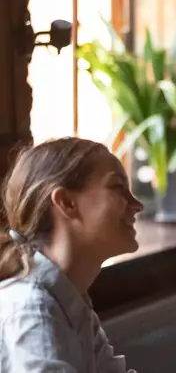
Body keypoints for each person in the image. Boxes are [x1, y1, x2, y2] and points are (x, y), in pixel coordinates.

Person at [0, 137, 143, 372]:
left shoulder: (70, 300)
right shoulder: (33, 310)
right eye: (118, 187)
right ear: (66, 202)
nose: (137, 204)